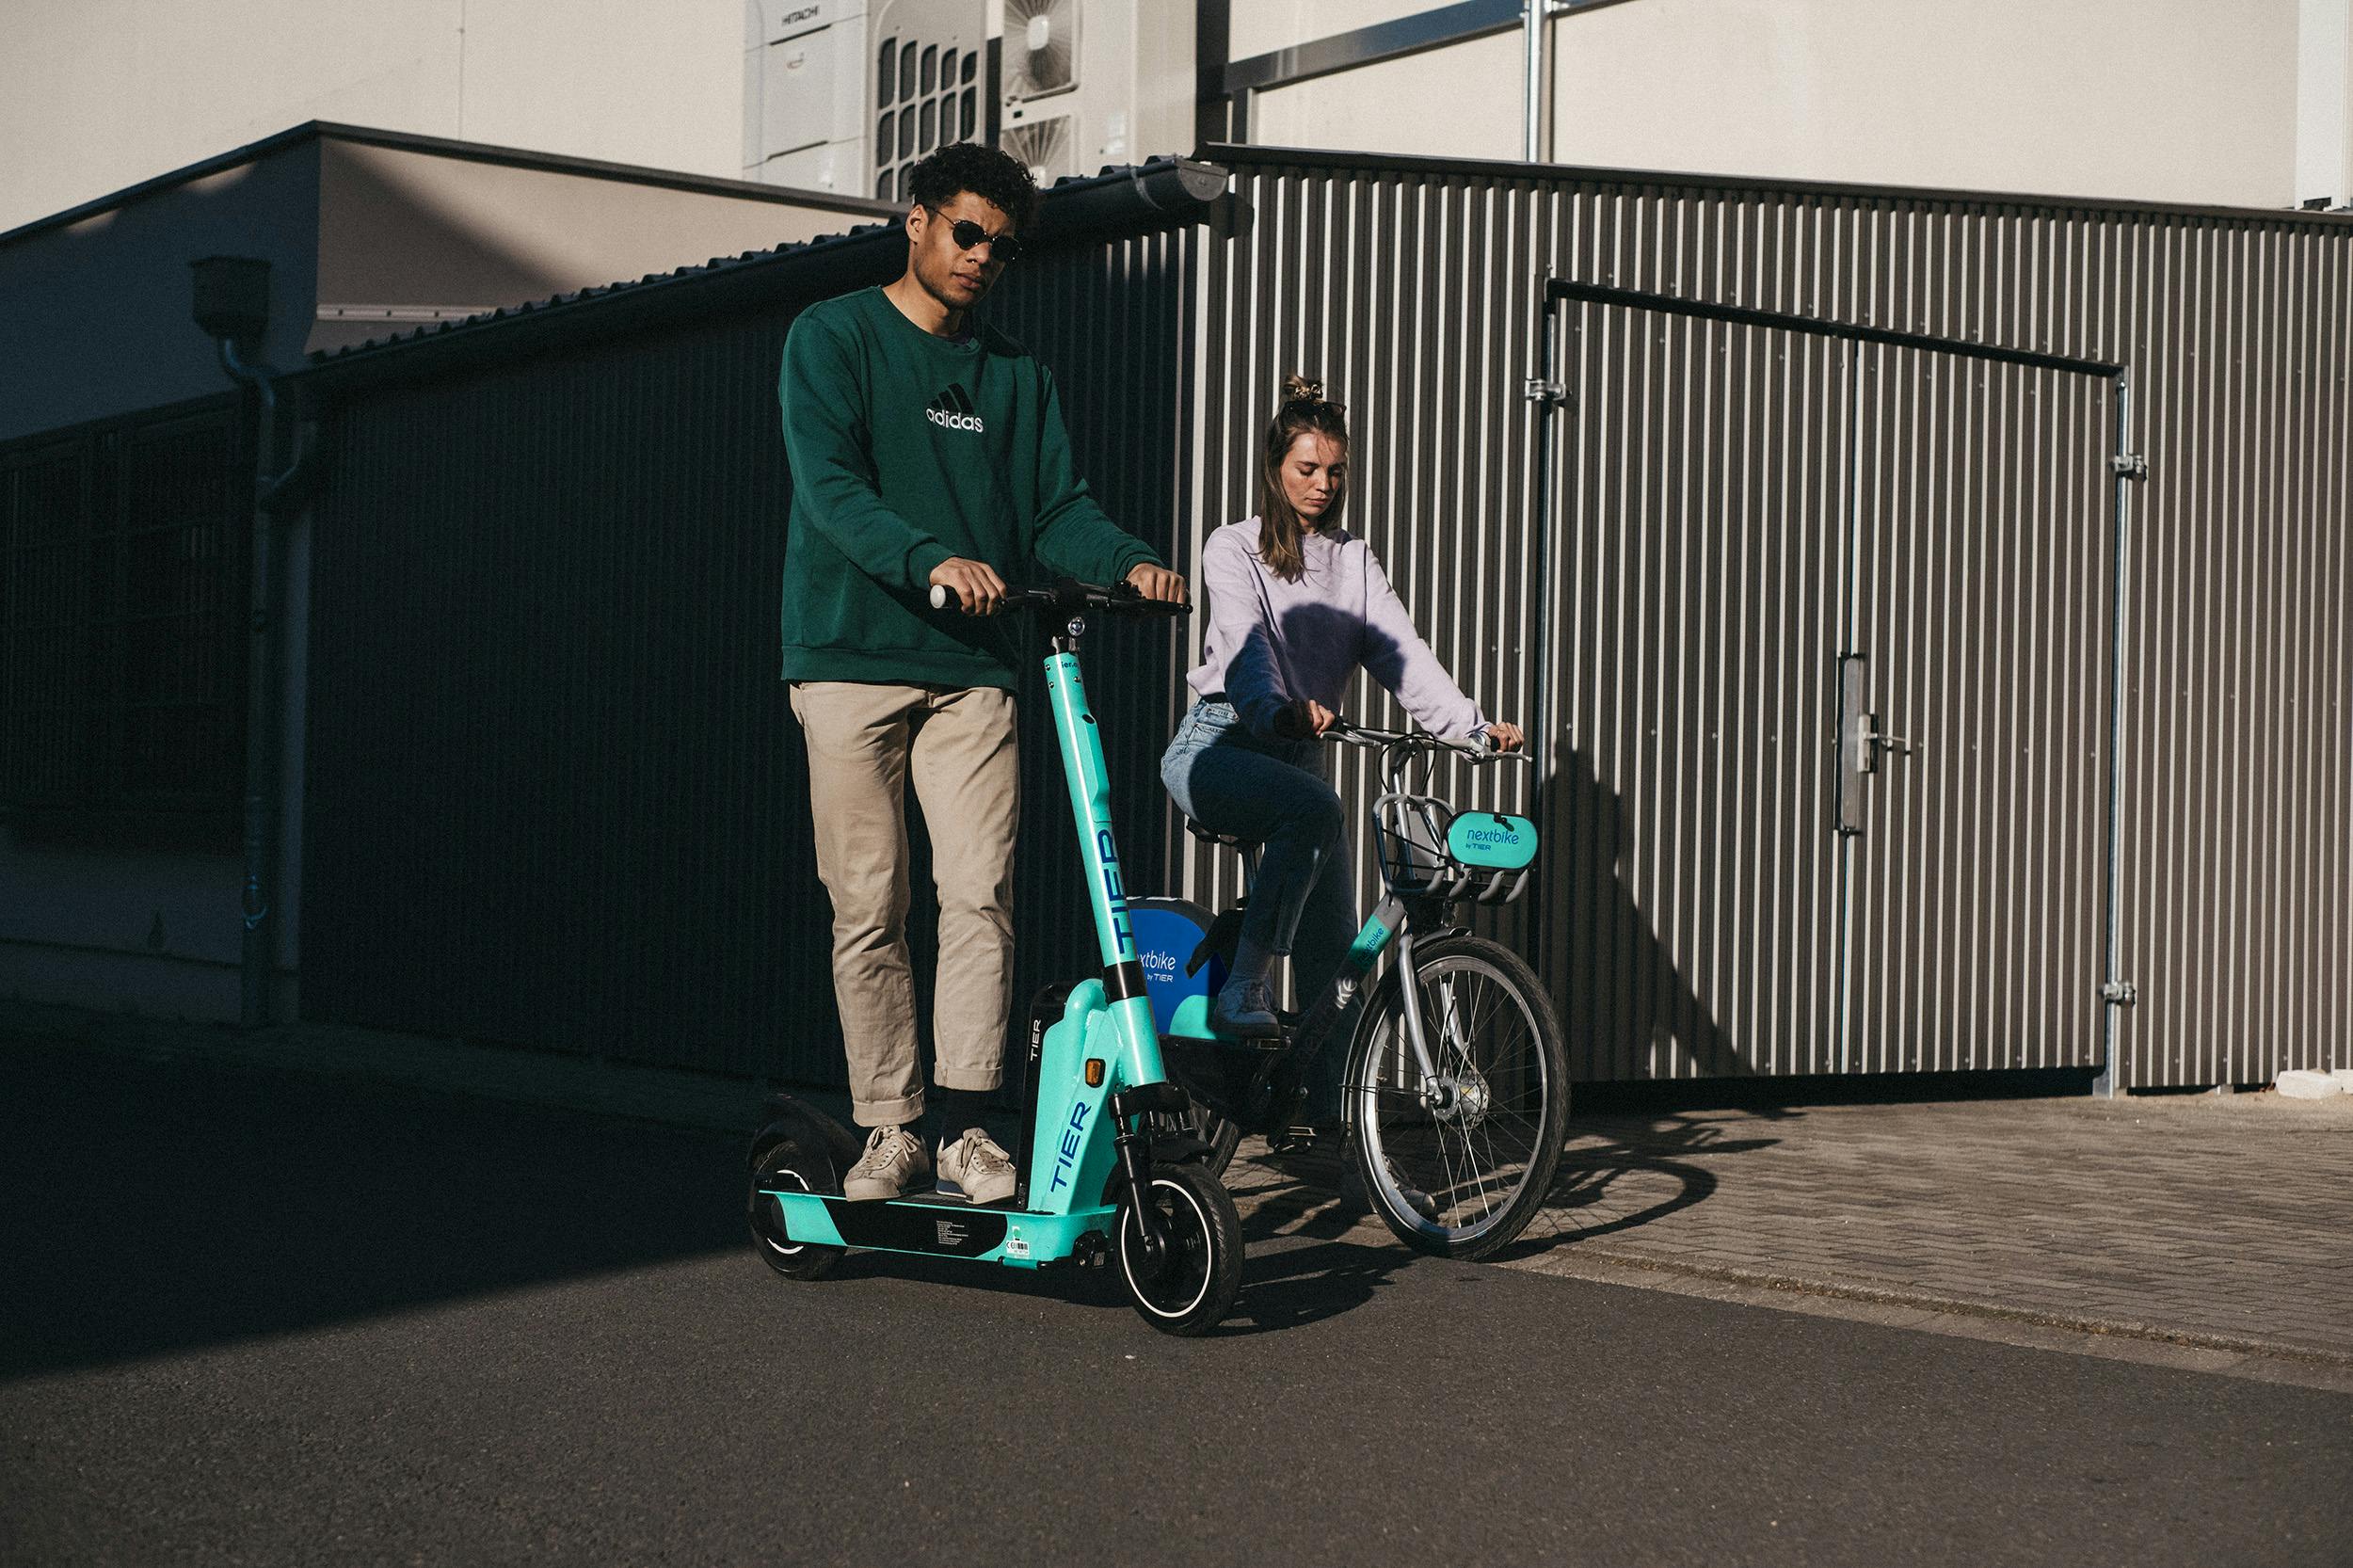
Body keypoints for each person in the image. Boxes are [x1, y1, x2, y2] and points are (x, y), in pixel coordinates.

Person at [778, 142, 1187, 1203]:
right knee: (869, 903)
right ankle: (889, 1130)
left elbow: (1058, 512)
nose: (980, 260)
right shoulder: (833, 337)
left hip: (974, 670)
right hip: (848, 658)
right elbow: (831, 485)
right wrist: (928, 560)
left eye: (1000, 250)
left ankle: (964, 1126)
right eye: (966, 234)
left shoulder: (1015, 376)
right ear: (913, 220)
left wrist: (1130, 562)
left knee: (978, 895)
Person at [1160, 375, 1524, 1064]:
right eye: (1306, 469)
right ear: (1274, 469)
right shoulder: (1232, 547)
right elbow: (1245, 647)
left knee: (1337, 956)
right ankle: (1243, 985)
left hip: (1300, 760)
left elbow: (1401, 652)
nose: (1322, 485)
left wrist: (1470, 727)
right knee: (1317, 811)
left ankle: (1334, 1125)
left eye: (1334, 471)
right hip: (1219, 745)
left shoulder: (1354, 561)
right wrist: (1276, 710)